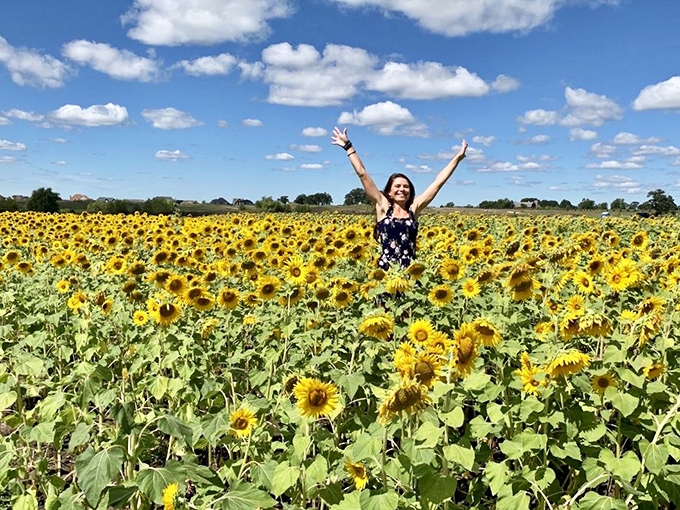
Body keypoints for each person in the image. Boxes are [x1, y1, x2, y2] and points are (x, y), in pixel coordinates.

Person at [332, 126, 468, 270]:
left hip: (411, 272)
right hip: (386, 274)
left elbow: (438, 182)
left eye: (406, 186)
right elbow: (362, 174)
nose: (402, 189)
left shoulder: (413, 209)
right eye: (397, 186)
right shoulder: (383, 207)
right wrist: (348, 147)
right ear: (389, 192)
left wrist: (457, 159)